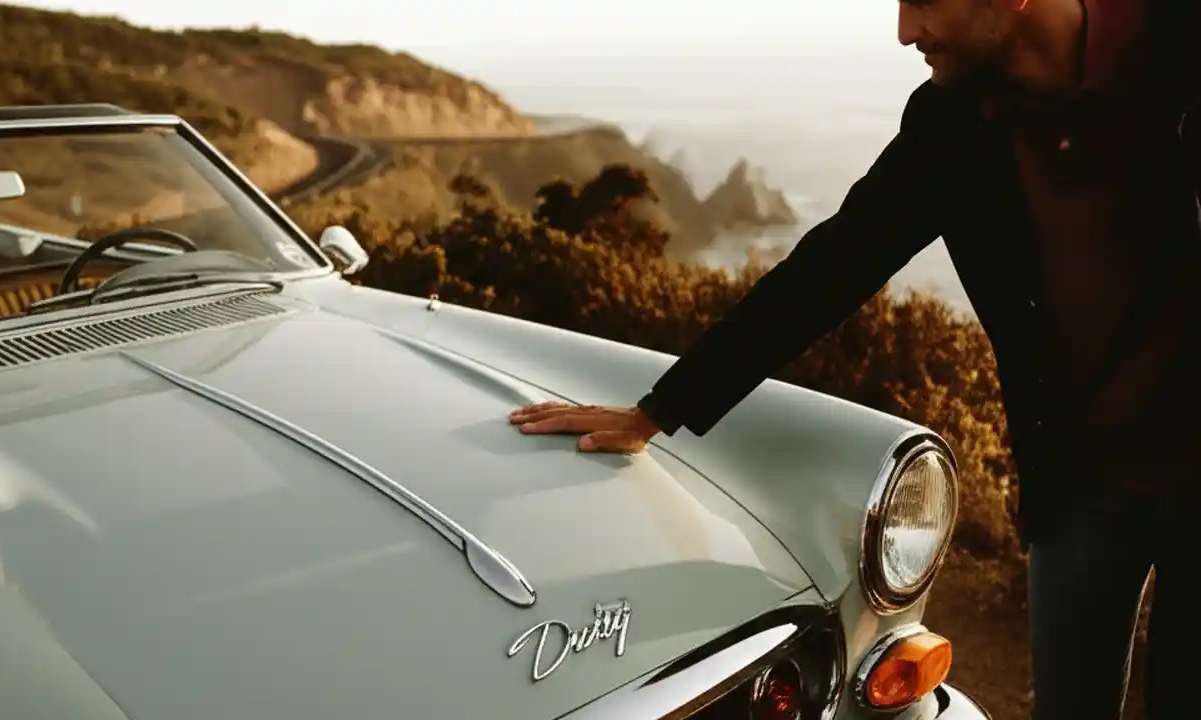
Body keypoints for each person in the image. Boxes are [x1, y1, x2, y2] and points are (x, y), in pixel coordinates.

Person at [509, 0, 1200, 718]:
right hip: (1076, 491)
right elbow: (830, 269)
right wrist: (660, 409)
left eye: (923, 1)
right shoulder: (950, 126)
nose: (905, 30)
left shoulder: (1176, 44)